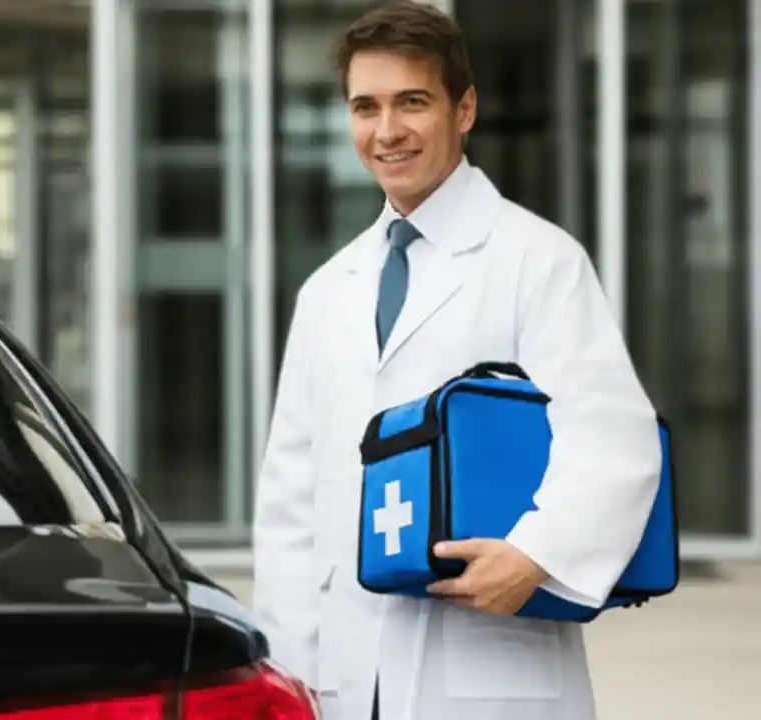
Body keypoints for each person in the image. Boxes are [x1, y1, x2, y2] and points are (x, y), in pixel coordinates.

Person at [250, 3, 662, 720]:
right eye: (366, 107)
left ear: (464, 109)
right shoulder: (328, 290)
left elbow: (615, 437)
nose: (387, 131)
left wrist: (536, 554)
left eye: (412, 102)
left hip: (490, 663)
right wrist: (291, 677)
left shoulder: (537, 260)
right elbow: (290, 506)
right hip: (346, 679)